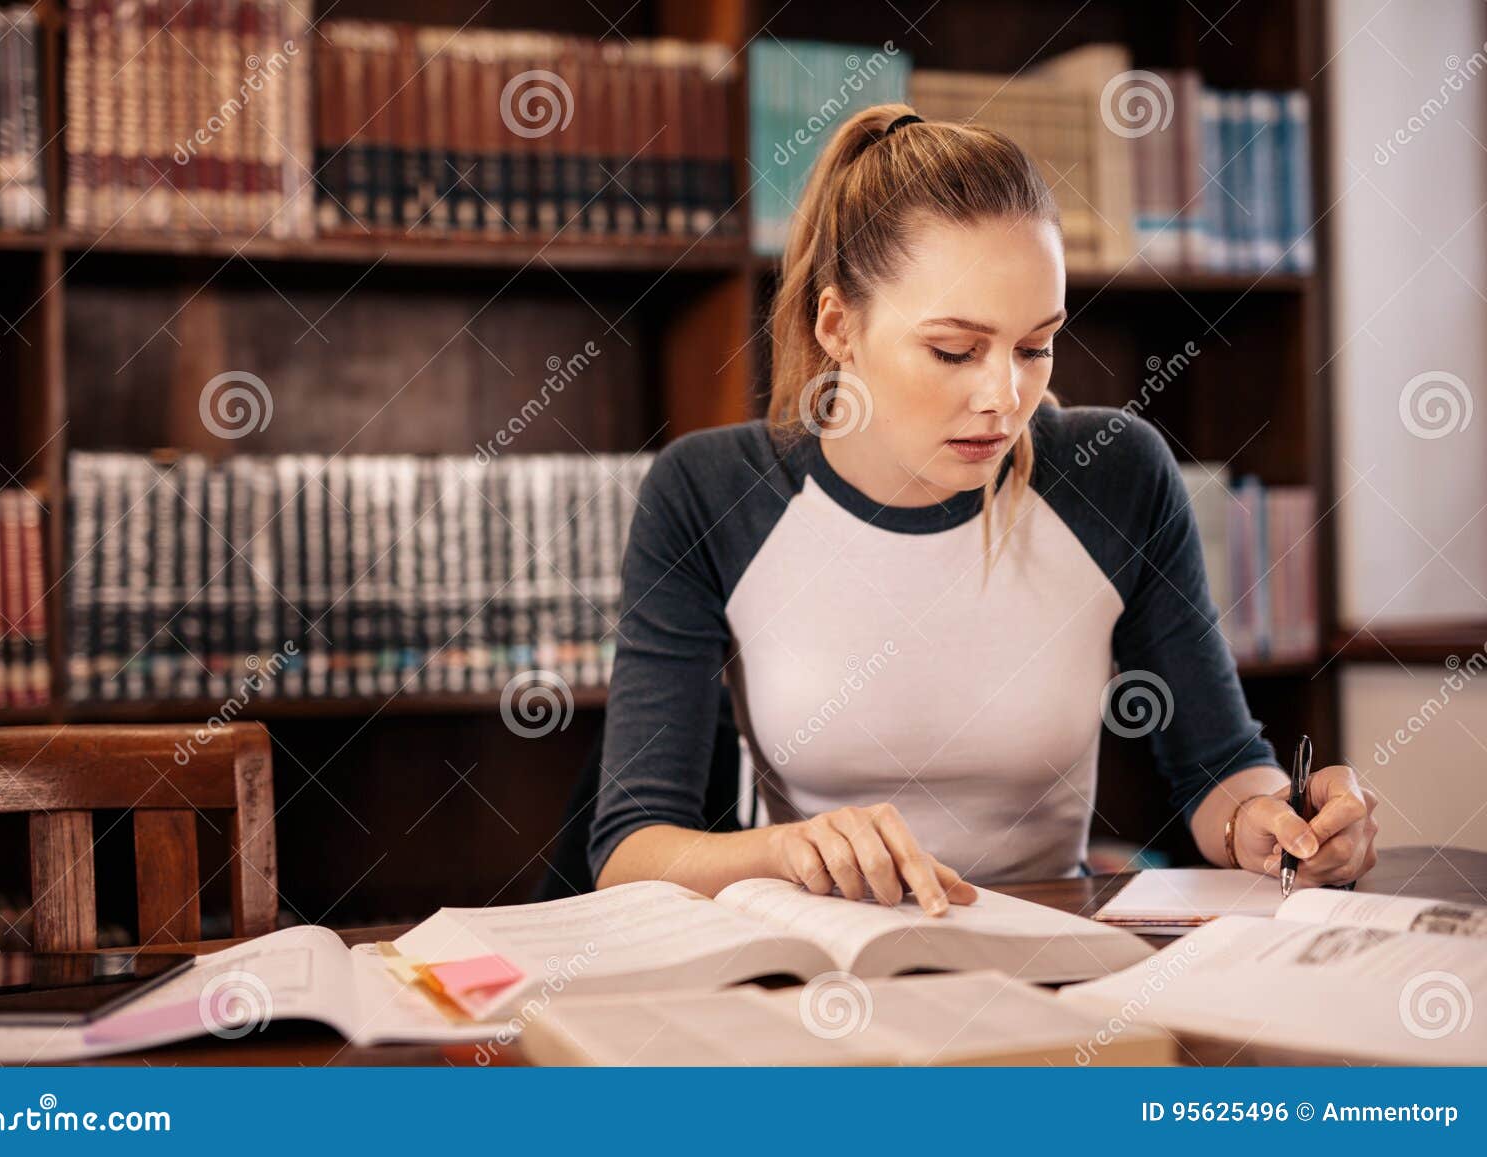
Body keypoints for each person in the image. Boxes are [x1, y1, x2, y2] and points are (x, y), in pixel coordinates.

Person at [588, 104, 1378, 914]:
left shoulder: (1118, 475)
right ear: (838, 326)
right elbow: (631, 845)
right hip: (822, 979)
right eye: (954, 351)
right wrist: (783, 850)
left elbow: (1219, 766)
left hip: (1056, 968)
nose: (1005, 399)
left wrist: (1269, 819)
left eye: (1035, 347)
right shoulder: (710, 491)